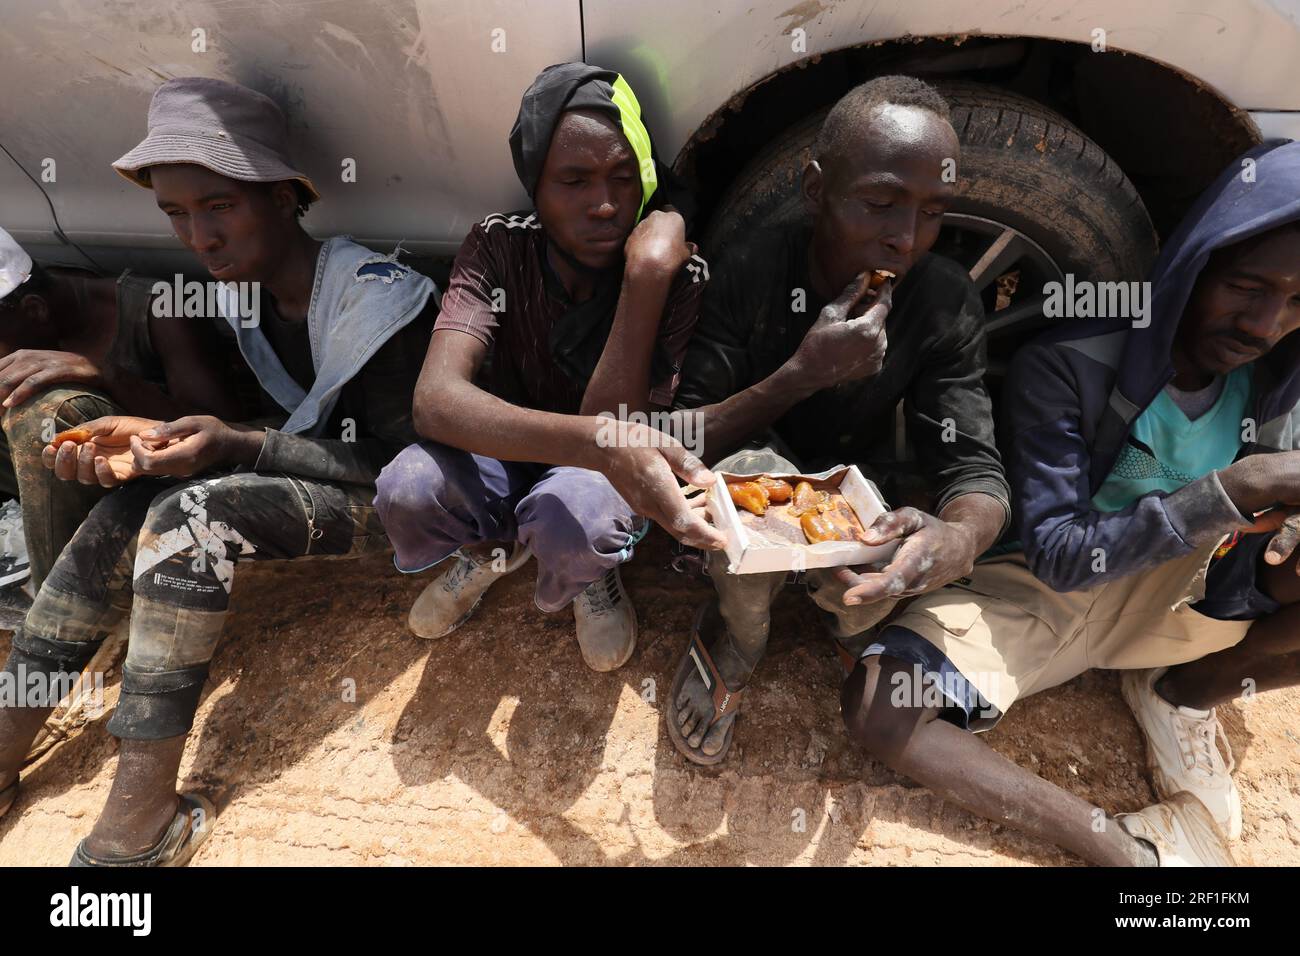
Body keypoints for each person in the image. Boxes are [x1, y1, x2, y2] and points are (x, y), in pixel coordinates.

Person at [0, 77, 436, 866]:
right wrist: (147, 437)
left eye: (218, 207)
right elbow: (248, 423)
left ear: (282, 196)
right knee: (124, 512)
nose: (197, 237)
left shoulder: (379, 300)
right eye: (175, 214)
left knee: (192, 518)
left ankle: (132, 829)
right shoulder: (243, 299)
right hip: (309, 474)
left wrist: (235, 446)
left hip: (409, 508)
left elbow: (405, 470)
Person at [840, 139, 1300, 866]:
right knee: (882, 708)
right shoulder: (1071, 363)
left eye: (1298, 300)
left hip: (1183, 598)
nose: (1266, 323)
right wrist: (1231, 491)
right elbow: (1058, 555)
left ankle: (1183, 693)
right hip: (1035, 589)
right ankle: (1123, 851)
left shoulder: (1280, 384)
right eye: (1247, 286)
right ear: (1194, 264)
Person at [663, 76, 1010, 764]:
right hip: (750, 468)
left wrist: (960, 536)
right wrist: (803, 375)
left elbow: (973, 467)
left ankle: (852, 622)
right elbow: (681, 438)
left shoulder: (941, 301)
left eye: (932, 213)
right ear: (816, 189)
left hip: (861, 484)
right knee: (747, 498)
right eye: (880, 204)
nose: (905, 240)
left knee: (880, 547)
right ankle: (740, 634)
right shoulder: (755, 270)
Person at [375, 63, 722, 672]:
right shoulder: (499, 244)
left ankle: (588, 573)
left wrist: (643, 281)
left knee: (580, 516)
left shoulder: (673, 273)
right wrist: (596, 442)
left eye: (623, 177)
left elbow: (615, 430)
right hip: (506, 447)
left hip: (597, 477)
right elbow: (434, 402)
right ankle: (489, 548)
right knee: (407, 488)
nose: (606, 205)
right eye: (574, 181)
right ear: (535, 185)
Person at [0, 227, 240, 590]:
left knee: (45, 410)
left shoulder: (156, 310)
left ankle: (64, 605)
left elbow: (221, 439)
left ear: (35, 309)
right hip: (51, 482)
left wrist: (107, 376)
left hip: (148, 485)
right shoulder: (27, 317)